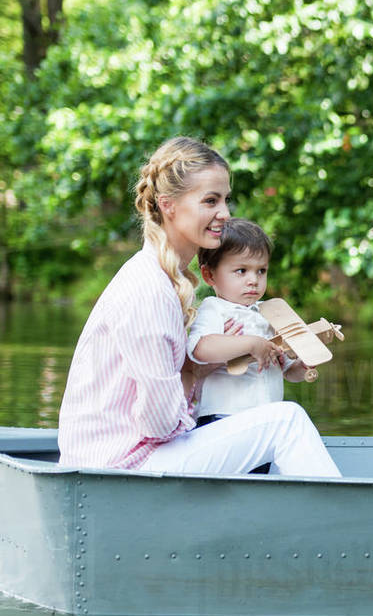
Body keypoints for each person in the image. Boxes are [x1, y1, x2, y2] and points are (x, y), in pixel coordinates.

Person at [57, 137, 341, 477]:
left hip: (127, 459)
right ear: (168, 205)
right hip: (120, 466)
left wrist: (202, 368)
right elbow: (160, 424)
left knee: (273, 421)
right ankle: (351, 524)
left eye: (225, 200)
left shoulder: (159, 277)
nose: (225, 213)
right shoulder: (150, 290)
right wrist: (194, 372)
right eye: (210, 201)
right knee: (286, 420)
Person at [187, 217, 314, 427]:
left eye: (261, 271)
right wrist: (251, 344)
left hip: (266, 419)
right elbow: (199, 348)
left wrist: (304, 364)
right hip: (223, 416)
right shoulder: (214, 309)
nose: (253, 280)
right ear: (209, 275)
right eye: (241, 271)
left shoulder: (270, 313)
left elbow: (289, 371)